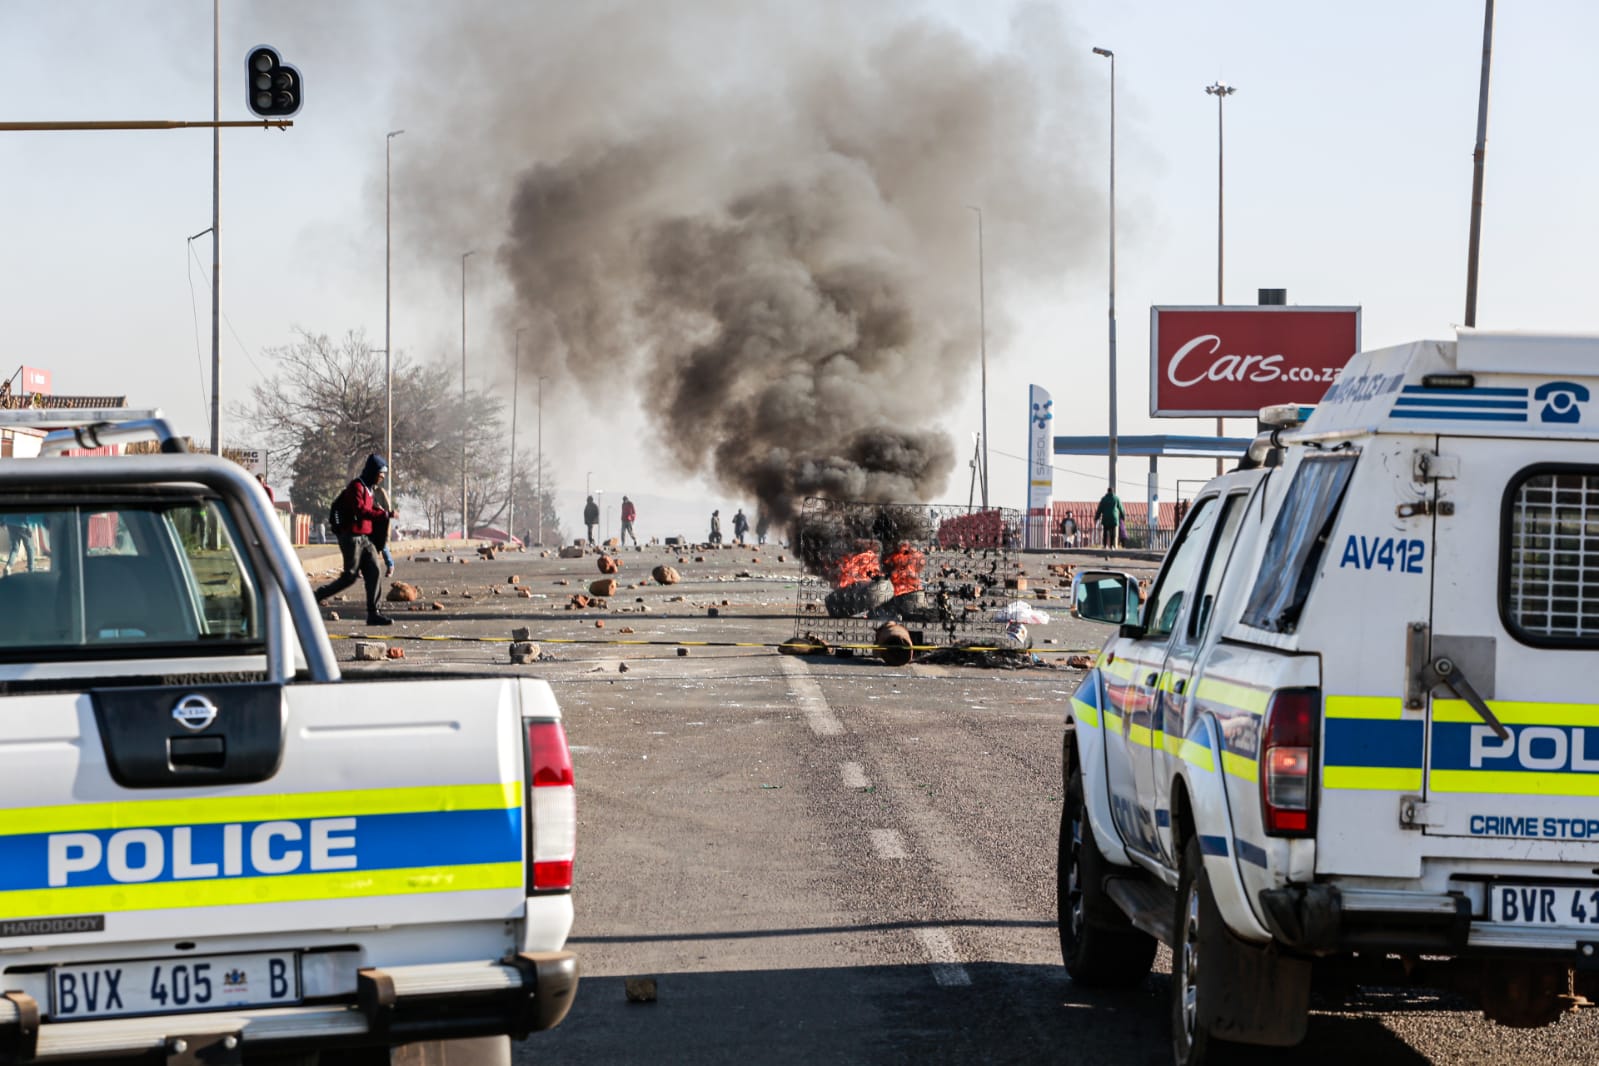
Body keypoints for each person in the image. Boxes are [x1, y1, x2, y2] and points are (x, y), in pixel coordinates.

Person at [315, 454, 396, 626]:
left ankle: (374, 613)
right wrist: (385, 514)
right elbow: (361, 512)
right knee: (349, 576)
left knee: (374, 571)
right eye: (380, 474)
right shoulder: (356, 487)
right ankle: (316, 596)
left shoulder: (370, 489)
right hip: (351, 538)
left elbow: (369, 512)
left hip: (365, 539)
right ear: (373, 472)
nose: (382, 477)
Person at [373, 481, 396, 578]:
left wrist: (380, 509)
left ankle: (390, 565)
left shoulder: (380, 492)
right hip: (370, 523)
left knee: (382, 546)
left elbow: (388, 509)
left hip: (381, 522)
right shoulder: (365, 492)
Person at [1095, 485, 1124, 551]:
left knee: (1105, 531)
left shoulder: (1104, 499)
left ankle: (1105, 545)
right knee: (1113, 532)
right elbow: (1121, 508)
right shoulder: (1116, 498)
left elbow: (1100, 509)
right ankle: (1112, 546)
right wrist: (1123, 516)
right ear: (1113, 491)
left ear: (1107, 491)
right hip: (1114, 518)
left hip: (1106, 517)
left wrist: (1096, 517)